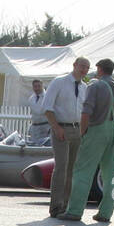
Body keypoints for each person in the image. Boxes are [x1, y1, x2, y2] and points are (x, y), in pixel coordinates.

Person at [59, 57, 114, 223]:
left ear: (100, 69)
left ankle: (74, 210)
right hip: (113, 130)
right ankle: (106, 212)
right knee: (111, 174)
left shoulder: (94, 85)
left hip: (97, 129)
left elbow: (86, 112)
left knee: (82, 171)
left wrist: (82, 132)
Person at [40, 57, 89, 217]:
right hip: (61, 127)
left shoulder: (84, 88)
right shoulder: (59, 82)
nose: (83, 70)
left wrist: (83, 130)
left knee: (72, 169)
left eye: (87, 68)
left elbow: (84, 111)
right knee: (61, 166)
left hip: (77, 129)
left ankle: (67, 205)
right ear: (74, 65)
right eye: (82, 66)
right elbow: (47, 107)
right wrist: (56, 127)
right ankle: (56, 206)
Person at [26, 79, 49, 145]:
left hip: (46, 126)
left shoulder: (47, 97)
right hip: (35, 127)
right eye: (35, 86)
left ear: (42, 86)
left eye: (39, 86)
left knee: (45, 145)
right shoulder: (31, 98)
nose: (37, 88)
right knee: (33, 145)